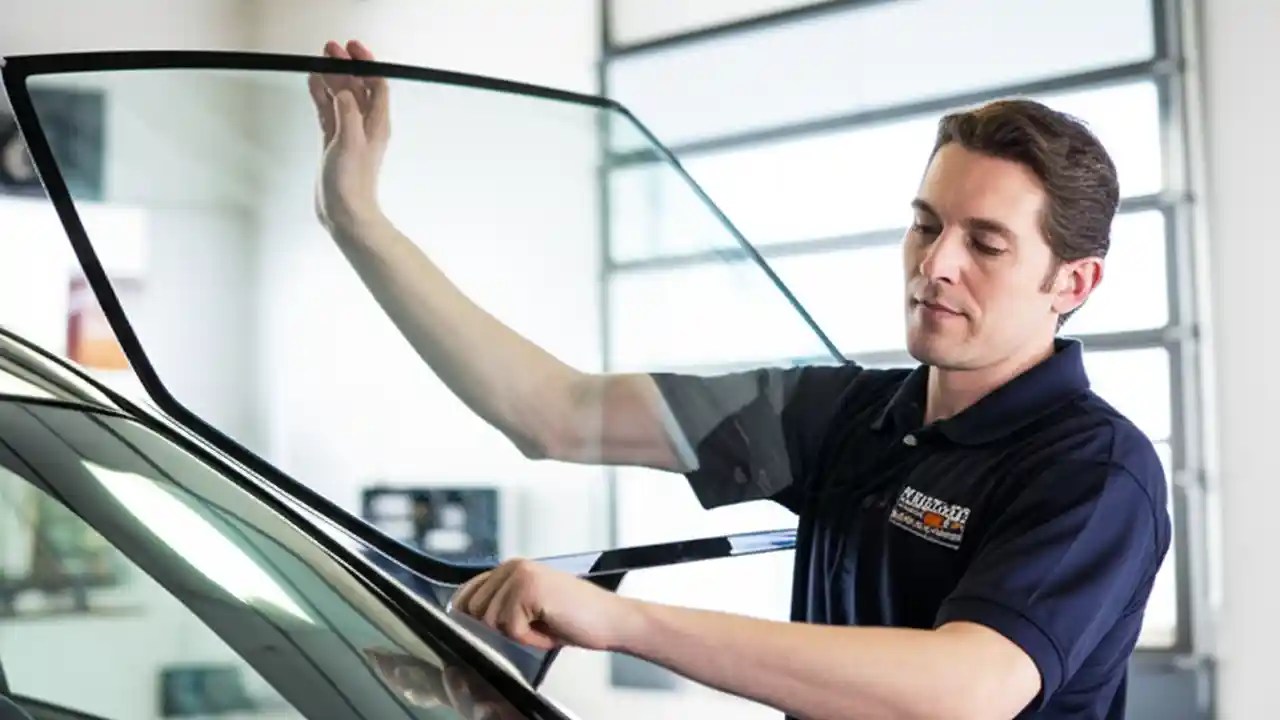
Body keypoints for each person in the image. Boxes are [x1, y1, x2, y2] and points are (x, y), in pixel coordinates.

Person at [311, 39, 1171, 720]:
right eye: (924, 225)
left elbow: (962, 691)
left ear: (1073, 283)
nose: (935, 263)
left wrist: (621, 621)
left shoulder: (1095, 471)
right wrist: (359, 223)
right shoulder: (846, 415)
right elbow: (556, 413)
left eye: (985, 244)